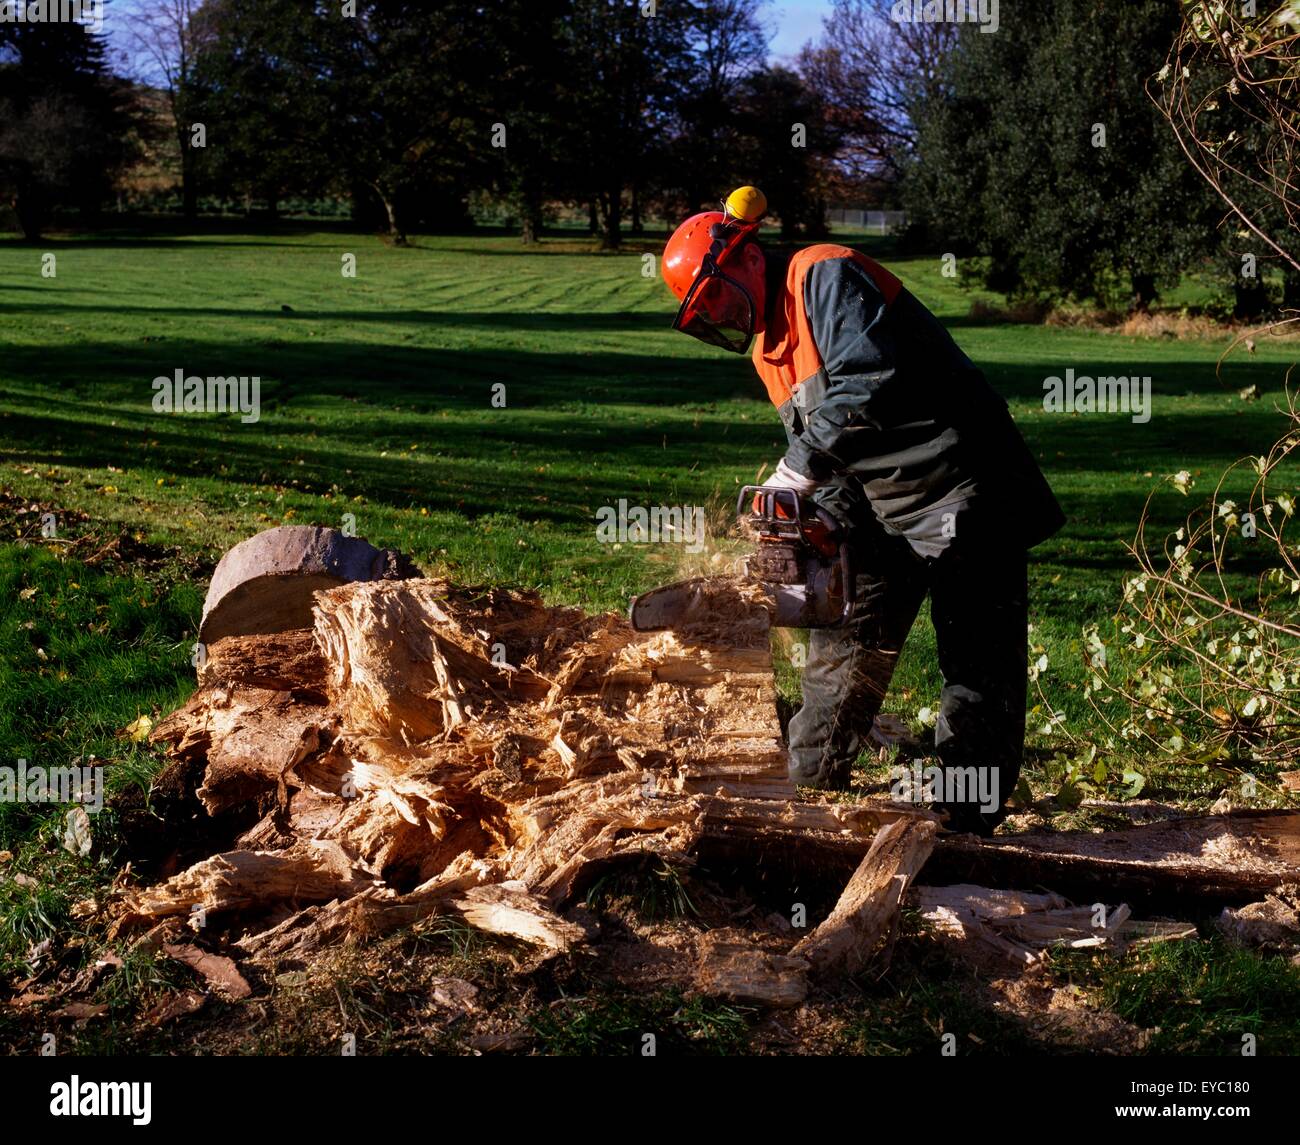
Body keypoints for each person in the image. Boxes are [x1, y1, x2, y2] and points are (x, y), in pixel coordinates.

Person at [661, 187, 1065, 835]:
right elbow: (839, 449)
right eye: (705, 311)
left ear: (746, 259)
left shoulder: (823, 273)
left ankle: (964, 824)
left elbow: (871, 379)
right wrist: (810, 529)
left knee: (976, 665)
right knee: (841, 652)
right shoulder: (771, 352)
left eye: (716, 296)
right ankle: (805, 787)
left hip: (964, 482)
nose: (720, 313)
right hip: (882, 507)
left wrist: (797, 468)